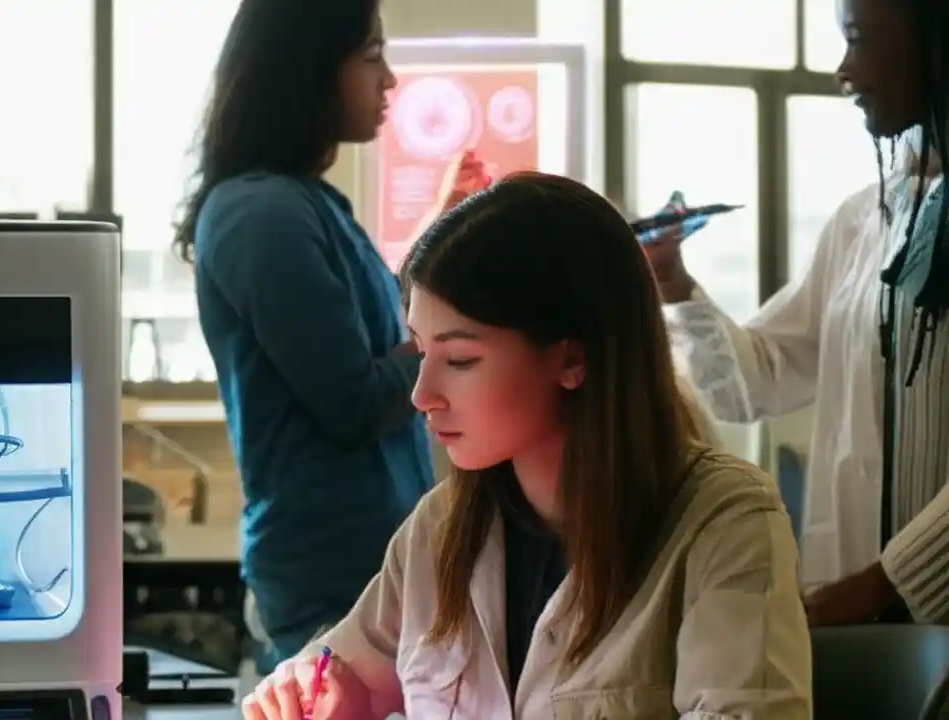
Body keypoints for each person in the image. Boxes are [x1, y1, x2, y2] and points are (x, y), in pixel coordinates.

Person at [240, 173, 812, 719]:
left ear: (571, 357)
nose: (422, 395)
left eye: (461, 359)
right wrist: (318, 698)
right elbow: (342, 673)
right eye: (421, 350)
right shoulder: (441, 529)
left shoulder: (726, 523)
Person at [174, 0, 487, 671]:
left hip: (367, 572)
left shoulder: (309, 203)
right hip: (328, 582)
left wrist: (444, 231)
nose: (389, 79)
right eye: (371, 54)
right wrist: (462, 347)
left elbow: (376, 337)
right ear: (310, 67)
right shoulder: (260, 213)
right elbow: (353, 397)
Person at [646, 0, 947, 627]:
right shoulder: (866, 219)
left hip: (897, 605)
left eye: (859, 40)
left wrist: (884, 586)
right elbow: (758, 378)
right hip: (851, 607)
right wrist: (674, 285)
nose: (844, 70)